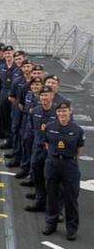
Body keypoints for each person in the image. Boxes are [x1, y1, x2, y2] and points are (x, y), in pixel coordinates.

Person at [42, 101, 85, 241]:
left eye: (65, 111)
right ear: (57, 113)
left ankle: (71, 228)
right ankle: (51, 223)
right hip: (53, 162)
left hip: (69, 164)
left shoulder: (77, 130)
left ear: (70, 112)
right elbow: (47, 144)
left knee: (71, 197)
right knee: (51, 195)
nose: (62, 114)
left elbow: (79, 151)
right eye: (59, 111)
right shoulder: (49, 127)